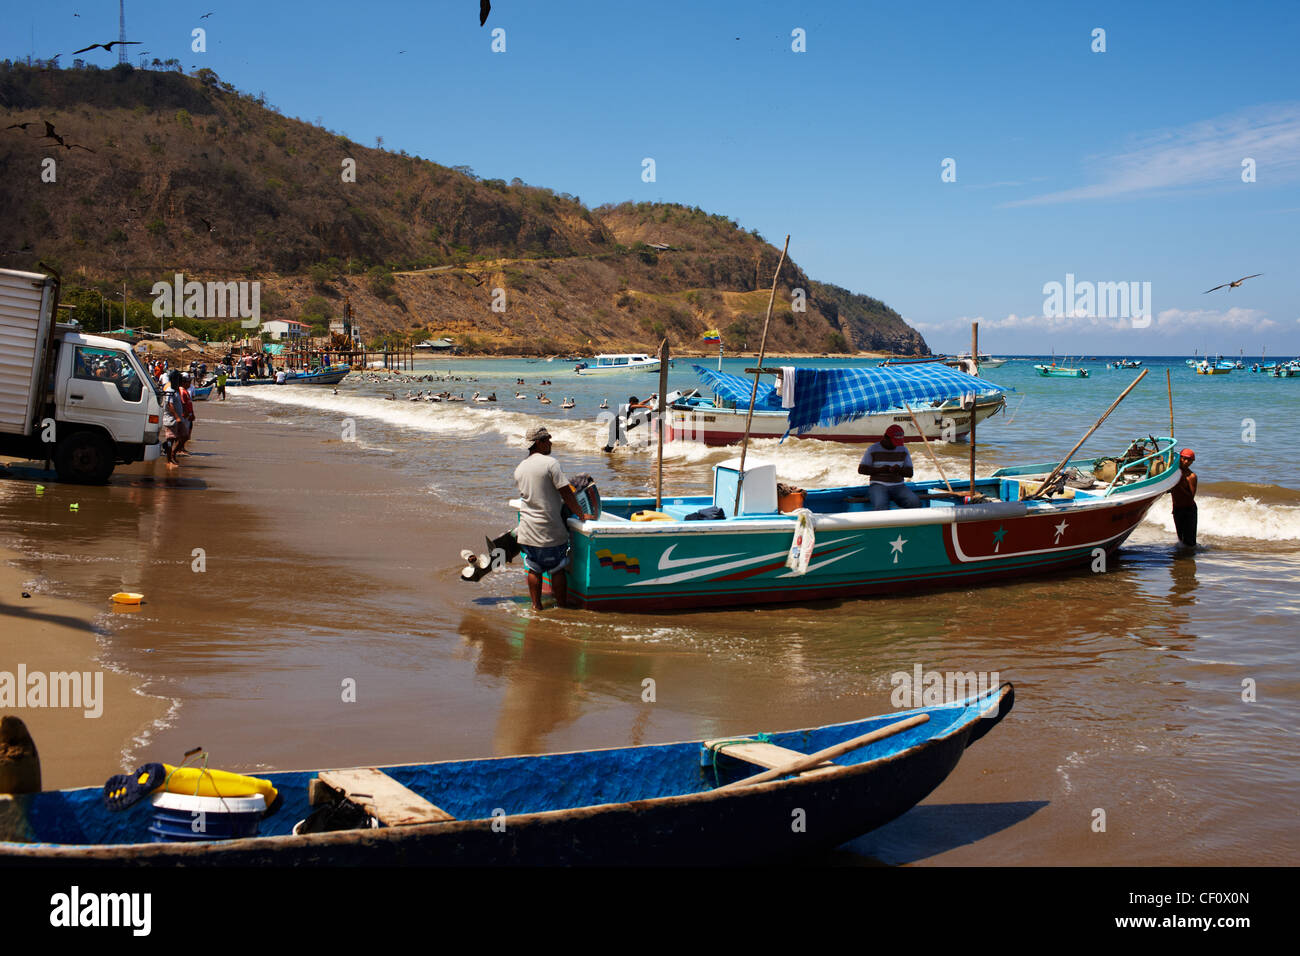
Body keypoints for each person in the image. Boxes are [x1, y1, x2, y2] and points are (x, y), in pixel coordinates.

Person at [513, 426, 593, 610]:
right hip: (549, 529)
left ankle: (536, 606)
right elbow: (566, 493)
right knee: (557, 568)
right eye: (547, 440)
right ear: (539, 443)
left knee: (534, 568)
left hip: (527, 529)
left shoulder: (520, 468)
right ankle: (562, 608)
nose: (550, 443)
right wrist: (581, 514)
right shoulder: (551, 464)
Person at [859, 424, 922, 510]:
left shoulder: (903, 449)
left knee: (915, 502)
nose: (895, 445)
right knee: (881, 505)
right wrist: (881, 470)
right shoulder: (872, 449)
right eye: (893, 442)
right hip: (878, 485)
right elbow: (861, 470)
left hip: (899, 485)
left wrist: (898, 470)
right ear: (885, 437)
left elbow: (909, 473)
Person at [1171, 448, 1198, 548]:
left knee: (1190, 543)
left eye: (1189, 460)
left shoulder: (1191, 476)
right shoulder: (1173, 473)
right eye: (1184, 458)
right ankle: (1183, 562)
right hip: (1177, 509)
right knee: (1181, 540)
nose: (1186, 462)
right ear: (1180, 458)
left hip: (1189, 511)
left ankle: (1190, 557)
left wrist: (1179, 484)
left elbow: (1190, 497)